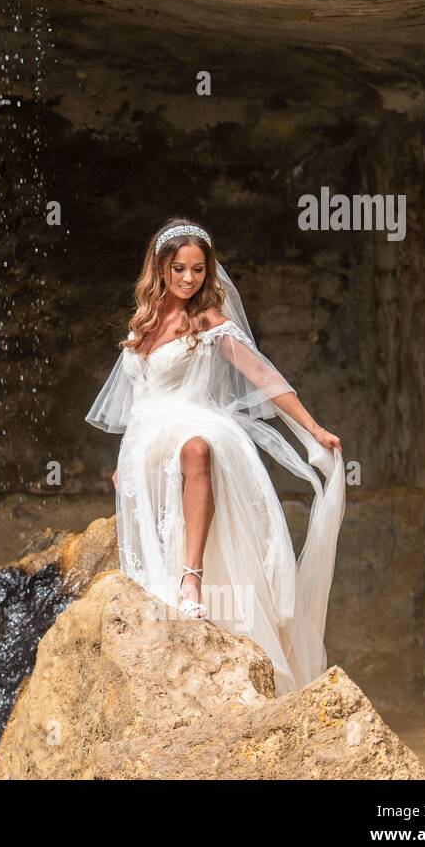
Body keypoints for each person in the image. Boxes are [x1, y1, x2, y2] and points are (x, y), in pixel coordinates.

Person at [85, 217, 346, 695]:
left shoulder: (207, 321)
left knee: (199, 449)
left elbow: (264, 377)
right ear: (161, 268)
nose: (189, 279)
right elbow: (137, 404)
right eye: (180, 269)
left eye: (199, 270)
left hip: (193, 420)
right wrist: (126, 464)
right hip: (146, 438)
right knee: (174, 465)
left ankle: (192, 579)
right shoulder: (141, 322)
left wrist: (311, 428)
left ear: (209, 271)